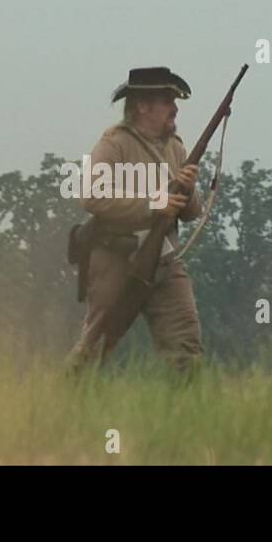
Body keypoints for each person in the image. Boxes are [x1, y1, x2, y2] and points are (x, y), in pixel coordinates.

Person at [65, 66, 206, 372]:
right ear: (143, 105)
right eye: (167, 100)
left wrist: (188, 187)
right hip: (118, 257)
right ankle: (66, 402)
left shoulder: (176, 147)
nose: (175, 108)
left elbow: (191, 212)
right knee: (97, 346)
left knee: (185, 347)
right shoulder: (114, 143)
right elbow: (92, 196)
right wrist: (155, 205)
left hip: (164, 260)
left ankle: (188, 413)